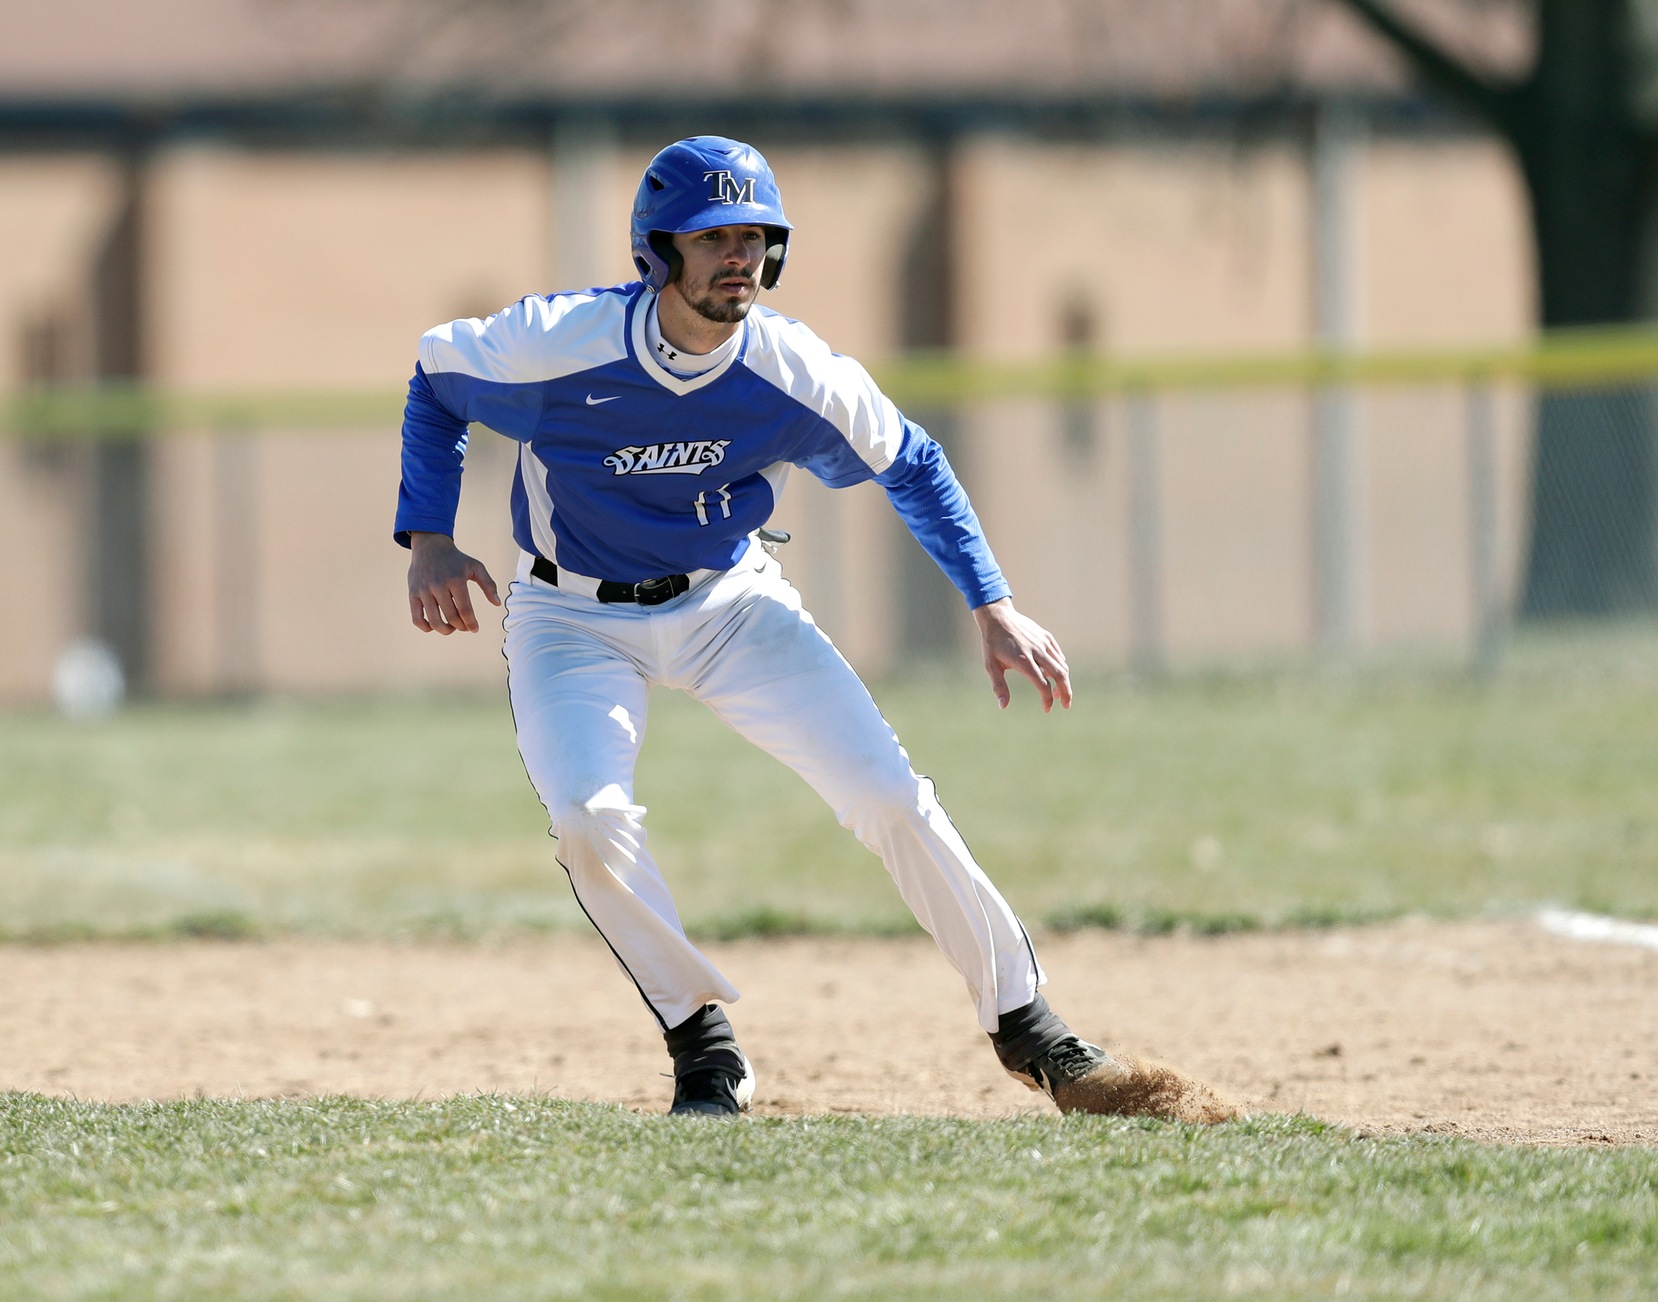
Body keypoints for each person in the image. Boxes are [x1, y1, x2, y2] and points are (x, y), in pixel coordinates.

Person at [395, 136, 1235, 1123]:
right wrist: (429, 538)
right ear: (657, 250)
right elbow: (437, 377)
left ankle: (1029, 1025)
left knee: (888, 794)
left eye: (753, 236)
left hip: (727, 602)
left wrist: (990, 601)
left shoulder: (790, 368)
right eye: (711, 237)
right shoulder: (559, 344)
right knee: (587, 822)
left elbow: (911, 461)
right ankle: (700, 1041)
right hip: (569, 614)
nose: (736, 256)